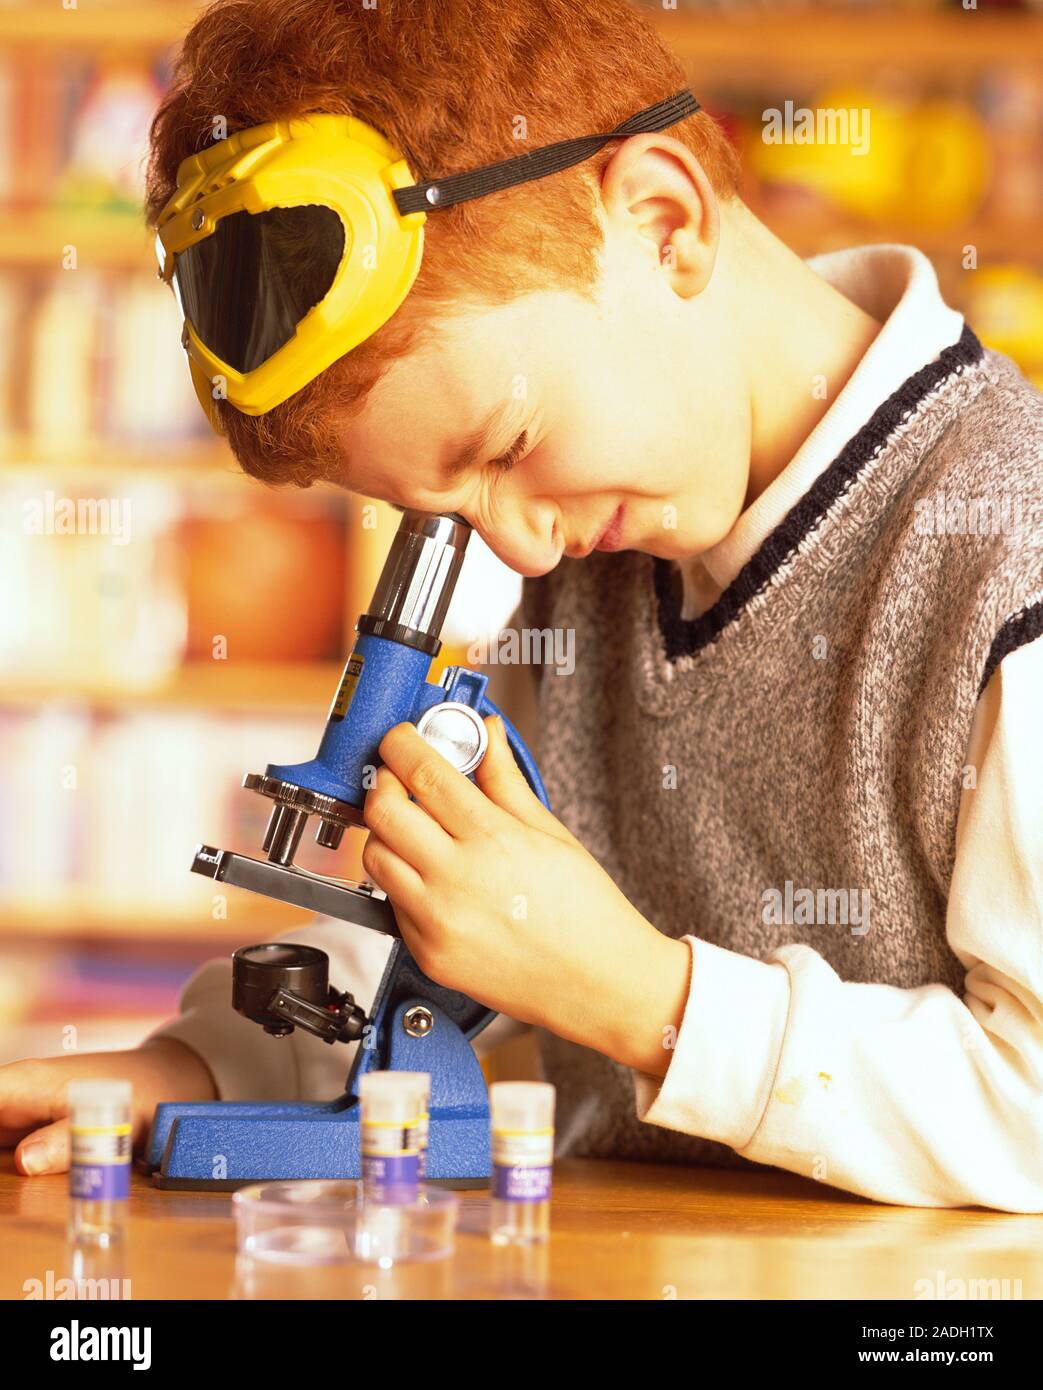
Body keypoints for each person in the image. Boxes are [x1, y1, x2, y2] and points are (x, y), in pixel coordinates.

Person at [4, 0, 1041, 1210]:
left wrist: (646, 1001)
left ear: (662, 224)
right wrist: (200, 1065)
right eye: (439, 510)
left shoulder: (1001, 546)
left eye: (506, 445)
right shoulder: (587, 548)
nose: (505, 536)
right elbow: (453, 918)